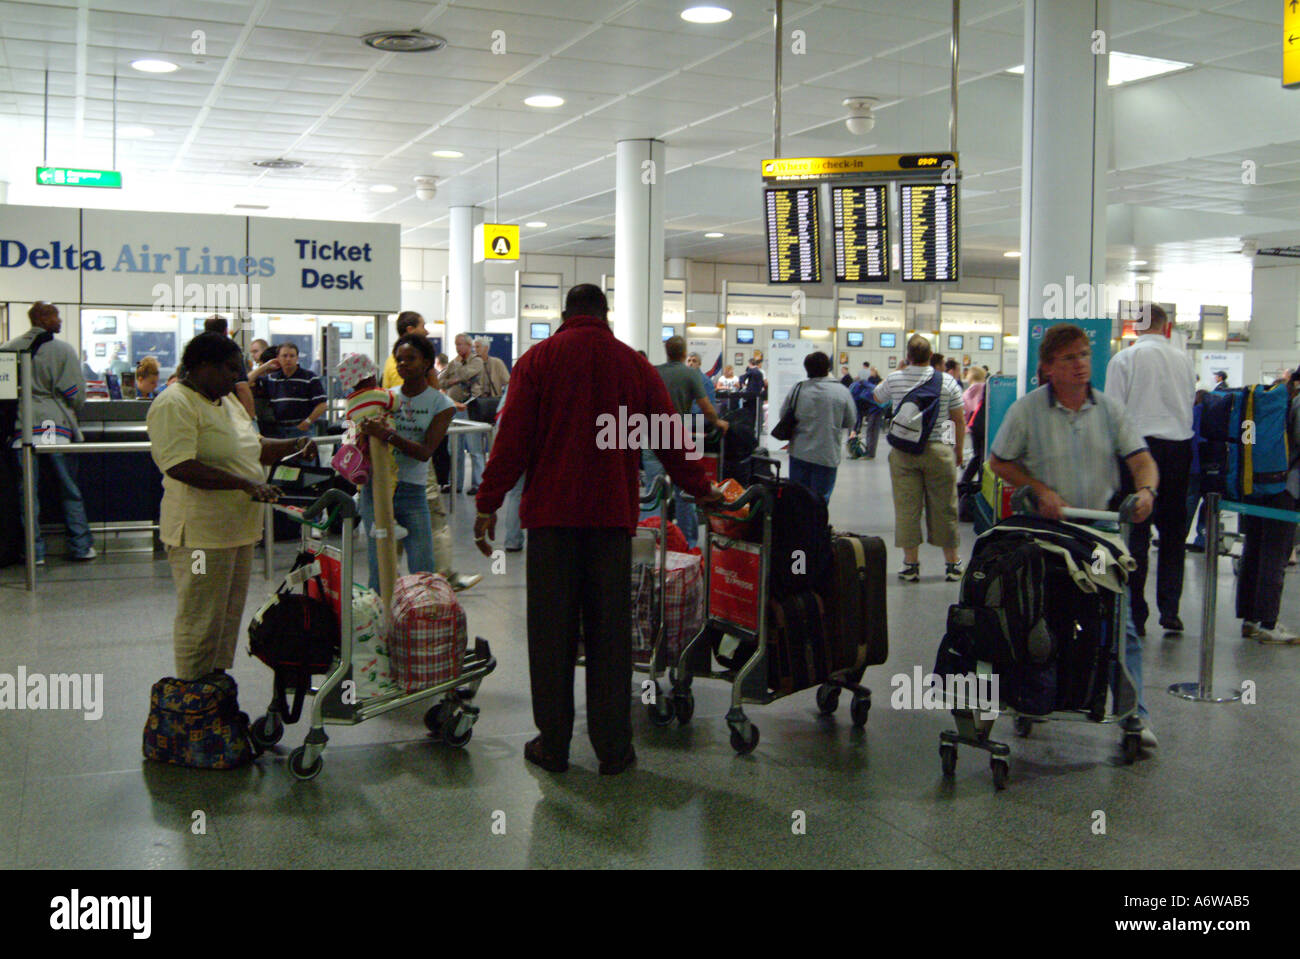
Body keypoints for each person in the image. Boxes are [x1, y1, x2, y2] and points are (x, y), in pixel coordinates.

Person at [473, 284, 719, 776]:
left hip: (551, 522)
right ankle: (613, 749)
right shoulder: (632, 363)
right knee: (610, 636)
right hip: (610, 521)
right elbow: (669, 434)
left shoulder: (537, 360)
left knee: (551, 635)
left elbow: (512, 440)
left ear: (565, 314)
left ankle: (555, 745)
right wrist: (702, 486)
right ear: (606, 314)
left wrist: (488, 503)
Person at [988, 323, 1159, 750]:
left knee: (1122, 623)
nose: (1081, 364)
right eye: (1069, 358)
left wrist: (1146, 491)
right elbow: (998, 462)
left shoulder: (1109, 410)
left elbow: (1141, 459)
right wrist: (1040, 490)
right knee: (1038, 616)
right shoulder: (1026, 411)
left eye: (1084, 355)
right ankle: (1029, 697)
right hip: (1046, 534)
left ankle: (1134, 715)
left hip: (1099, 533)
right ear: (1047, 368)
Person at [146, 332, 316, 679]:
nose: (235, 377)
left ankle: (215, 683)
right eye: (229, 369)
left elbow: (254, 446)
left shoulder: (226, 402)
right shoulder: (174, 402)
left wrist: (293, 444)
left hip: (236, 533)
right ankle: (192, 692)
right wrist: (245, 484)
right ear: (202, 366)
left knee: (226, 616)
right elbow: (179, 465)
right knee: (200, 615)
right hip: (199, 538)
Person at [1105, 304, 1197, 635]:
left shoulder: (1124, 359)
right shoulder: (1184, 360)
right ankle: (1170, 610)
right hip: (1179, 449)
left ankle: (1136, 613)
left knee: (1136, 534)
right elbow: (1189, 404)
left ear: (1135, 327)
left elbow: (1113, 411)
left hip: (1136, 450)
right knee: (1173, 535)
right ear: (1166, 326)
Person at [357, 334, 454, 593]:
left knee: (423, 568)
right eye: (399, 359)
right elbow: (358, 436)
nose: (403, 364)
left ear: (426, 362)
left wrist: (387, 435)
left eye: (410, 359)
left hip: (412, 491)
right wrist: (362, 430)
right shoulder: (385, 397)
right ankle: (380, 625)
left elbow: (425, 452)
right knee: (379, 566)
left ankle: (421, 620)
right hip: (376, 491)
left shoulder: (441, 404)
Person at [2, 302, 95, 563]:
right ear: (42, 318)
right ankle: (80, 546)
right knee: (69, 488)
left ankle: (34, 551)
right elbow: (74, 392)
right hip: (53, 425)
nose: (60, 320)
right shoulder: (63, 350)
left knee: (27, 495)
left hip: (22, 428)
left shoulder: (9, 348)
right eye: (55, 315)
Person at [874, 335, 966, 582]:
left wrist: (898, 371)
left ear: (908, 355)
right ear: (931, 355)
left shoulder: (895, 379)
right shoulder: (947, 381)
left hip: (904, 451)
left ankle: (910, 564)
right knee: (945, 507)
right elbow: (957, 419)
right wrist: (956, 450)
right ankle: (952, 563)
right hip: (939, 449)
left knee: (907, 508)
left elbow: (876, 397)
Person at [645, 336, 729, 549]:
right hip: (678, 434)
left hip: (651, 434)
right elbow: (707, 407)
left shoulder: (653, 371)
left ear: (666, 351)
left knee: (652, 491)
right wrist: (717, 422)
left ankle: (649, 539)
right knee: (685, 490)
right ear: (684, 354)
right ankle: (687, 543)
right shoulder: (691, 375)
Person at [1237, 369, 1300, 644]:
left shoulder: (1275, 400)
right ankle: (1268, 623)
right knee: (1276, 553)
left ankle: (1250, 619)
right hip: (1285, 487)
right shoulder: (1295, 403)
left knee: (1254, 549)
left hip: (1257, 482)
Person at [780, 350, 856, 502]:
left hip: (799, 452)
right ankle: (816, 525)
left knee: (798, 498)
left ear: (807, 369)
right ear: (828, 368)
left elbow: (783, 415)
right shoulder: (842, 391)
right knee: (820, 500)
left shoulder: (798, 389)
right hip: (826, 454)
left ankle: (799, 525)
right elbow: (850, 421)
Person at [438, 333, 487, 494]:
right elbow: (441, 381)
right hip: (454, 409)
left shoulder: (476, 360)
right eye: (456, 345)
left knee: (474, 449)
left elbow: (466, 374)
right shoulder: (454, 362)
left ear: (468, 345)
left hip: (470, 409)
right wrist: (454, 378)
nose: (458, 348)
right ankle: (455, 484)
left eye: (460, 344)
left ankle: (478, 484)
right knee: (455, 449)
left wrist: (456, 374)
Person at [249, 342, 326, 438]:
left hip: (301, 429)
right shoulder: (272, 378)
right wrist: (266, 365)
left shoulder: (310, 377)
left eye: (292, 356)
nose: (288, 359)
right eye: (284, 356)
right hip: (278, 430)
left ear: (297, 358)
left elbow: (322, 404)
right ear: (278, 358)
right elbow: (246, 381)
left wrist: (307, 422)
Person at [202, 315, 255, 418]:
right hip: (226, 409)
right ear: (226, 331)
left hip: (200, 407)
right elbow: (241, 387)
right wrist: (251, 418)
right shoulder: (230, 350)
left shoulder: (197, 350)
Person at [383, 312, 426, 389]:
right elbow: (406, 397)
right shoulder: (402, 363)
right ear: (410, 330)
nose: (426, 332)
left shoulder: (393, 359)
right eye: (423, 327)